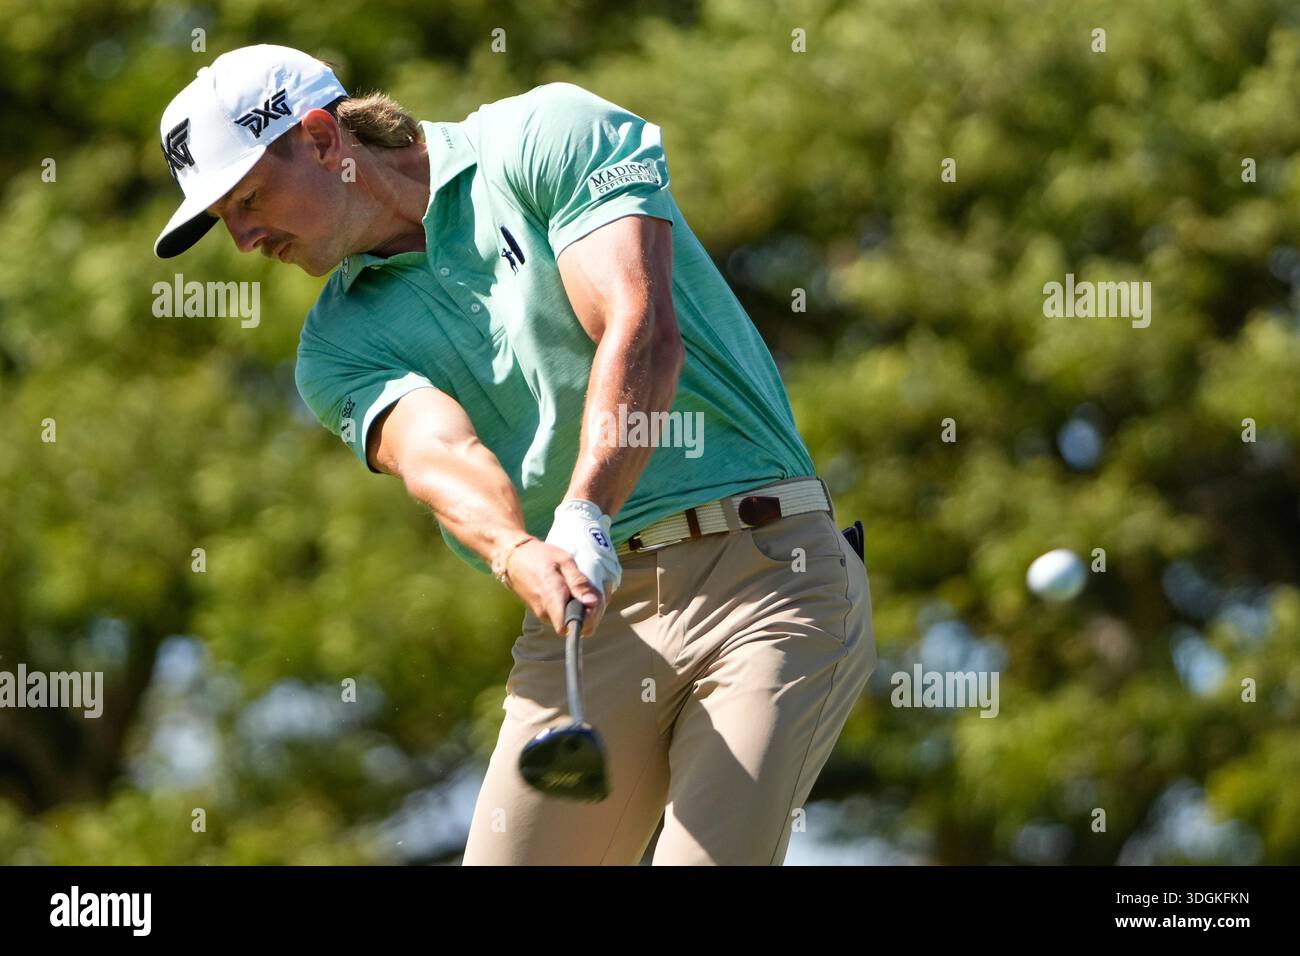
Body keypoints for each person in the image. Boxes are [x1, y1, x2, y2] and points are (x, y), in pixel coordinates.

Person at [154, 43, 877, 865]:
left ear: (322, 142)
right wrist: (515, 550)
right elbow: (439, 455)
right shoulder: (335, 347)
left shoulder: (547, 136)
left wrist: (583, 513)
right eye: (223, 221)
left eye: (248, 198)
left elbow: (639, 330)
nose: (243, 238)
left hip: (767, 577)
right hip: (582, 622)